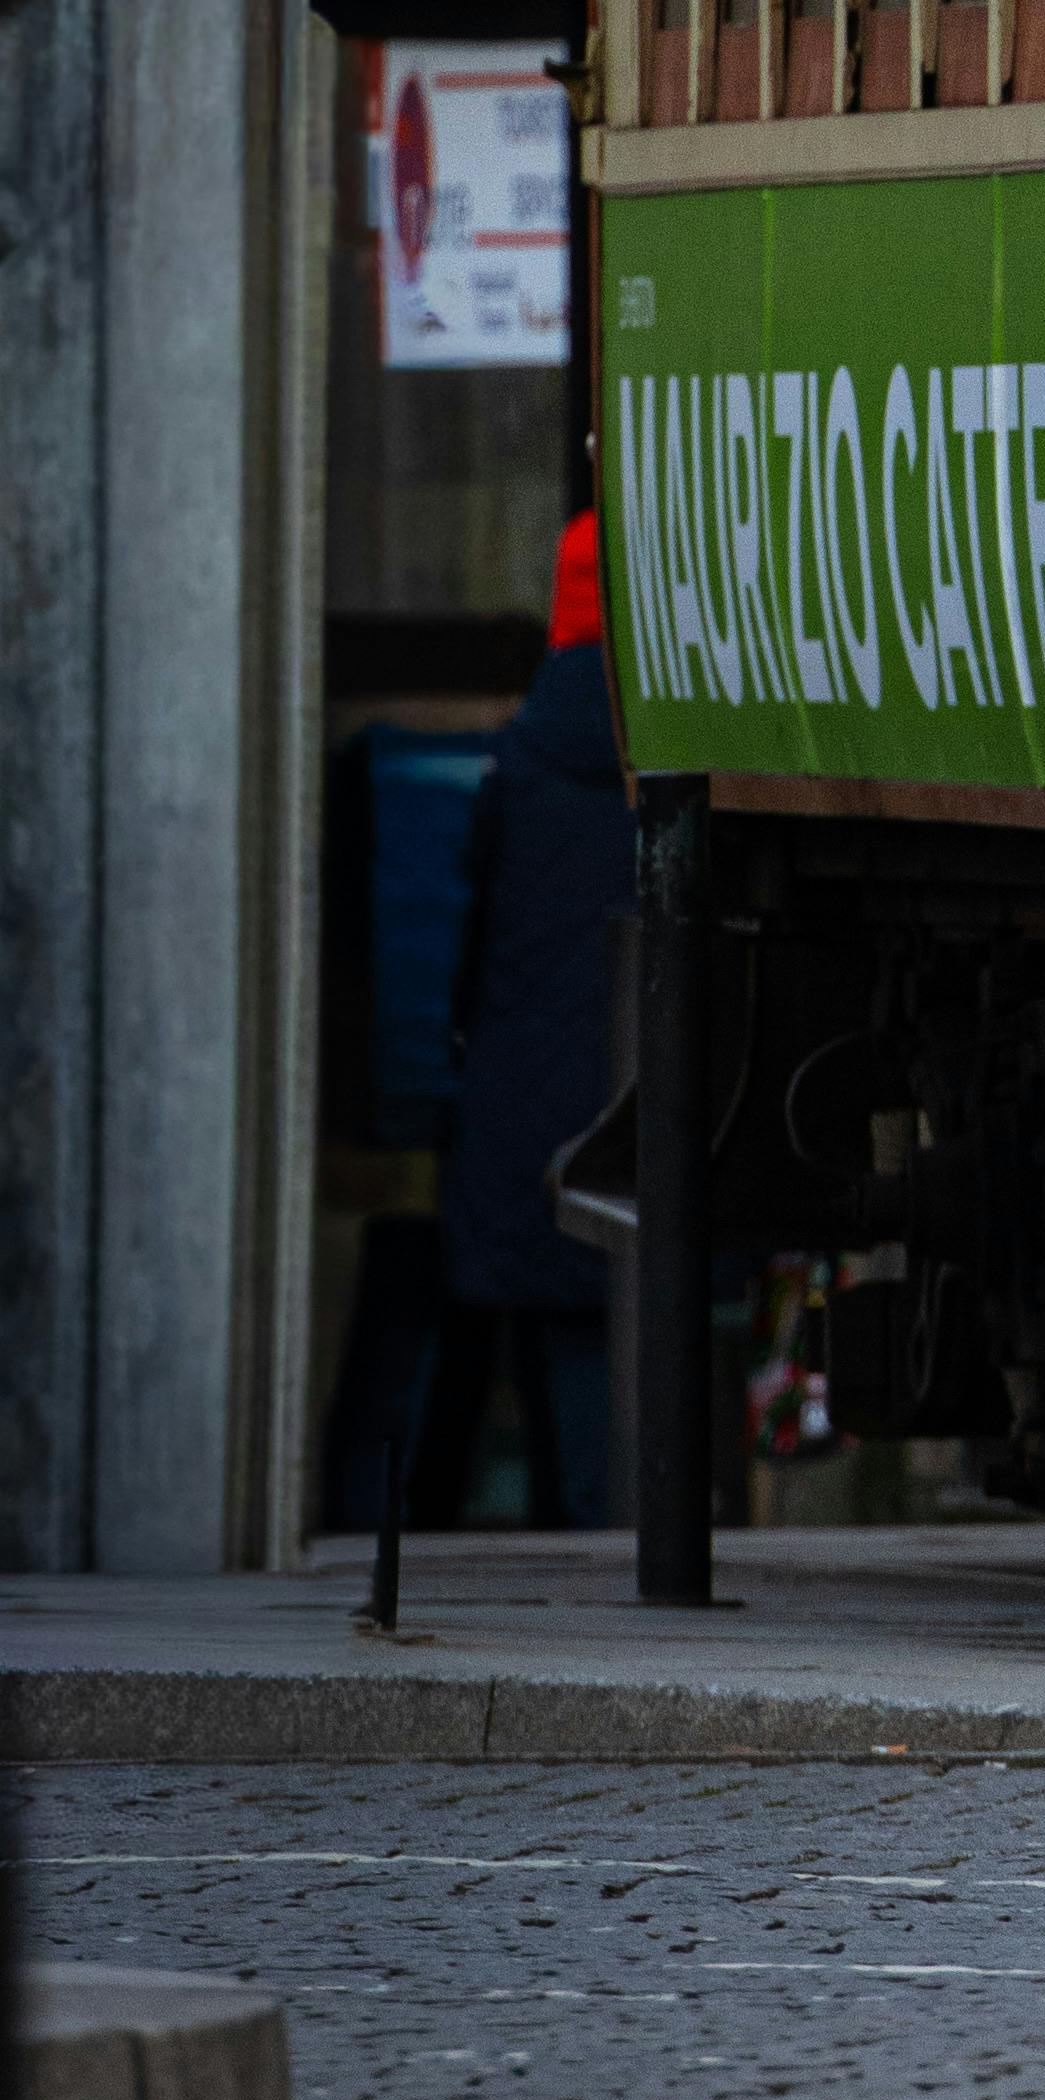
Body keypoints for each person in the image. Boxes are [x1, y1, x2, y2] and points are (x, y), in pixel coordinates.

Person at [414, 510, 636, 1527]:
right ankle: (622, 1524)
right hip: (645, 1102)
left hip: (523, 1110)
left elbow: (464, 955)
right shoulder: (688, 774)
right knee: (632, 1340)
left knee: (551, 1344)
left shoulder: (518, 766)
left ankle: (572, 1523)